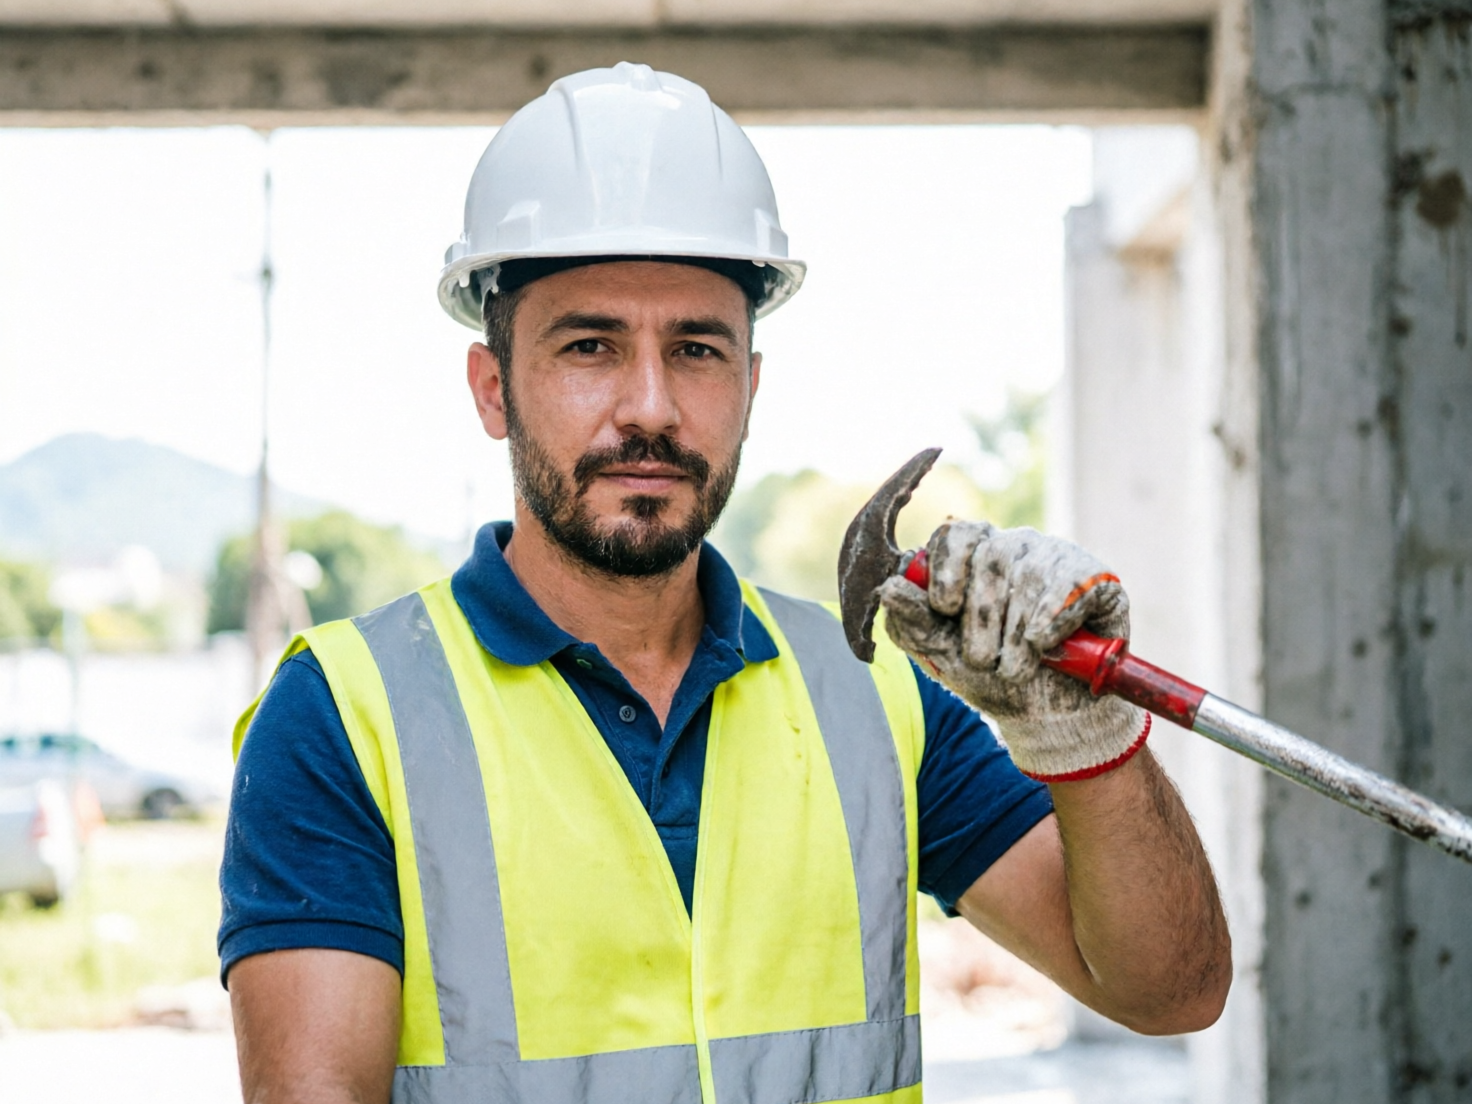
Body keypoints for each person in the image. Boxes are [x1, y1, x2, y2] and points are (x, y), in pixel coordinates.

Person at [220, 63, 1230, 1104]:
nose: (650, 407)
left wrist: (1081, 740)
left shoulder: (869, 694)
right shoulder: (347, 716)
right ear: (493, 389)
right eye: (589, 346)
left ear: (750, 384)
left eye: (697, 348)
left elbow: (1171, 992)